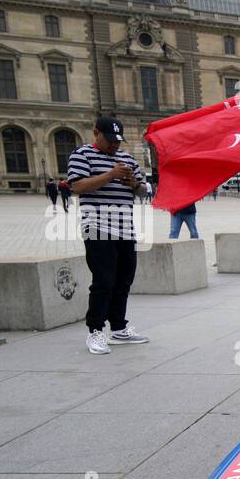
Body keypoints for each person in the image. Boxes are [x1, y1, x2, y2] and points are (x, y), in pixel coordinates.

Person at [66, 116, 151, 355]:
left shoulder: (127, 159)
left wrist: (134, 183)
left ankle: (118, 328)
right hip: (97, 227)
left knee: (124, 279)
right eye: (110, 140)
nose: (115, 145)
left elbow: (144, 192)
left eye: (118, 141)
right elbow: (78, 186)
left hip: (125, 229)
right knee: (103, 281)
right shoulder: (81, 155)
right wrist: (110, 175)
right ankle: (96, 331)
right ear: (96, 133)